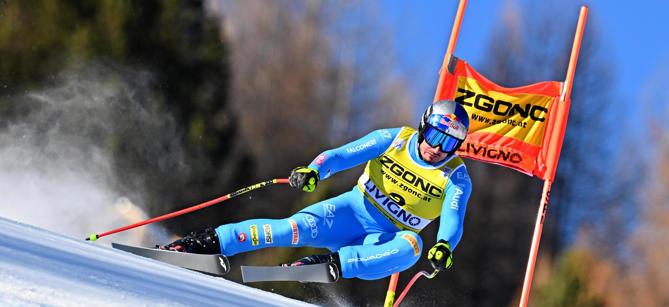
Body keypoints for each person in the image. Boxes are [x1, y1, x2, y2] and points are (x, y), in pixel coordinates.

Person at [162, 100, 473, 282]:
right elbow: (342, 155)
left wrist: (444, 245)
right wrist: (314, 170)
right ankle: (202, 245)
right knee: (290, 230)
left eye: (448, 143)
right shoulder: (395, 140)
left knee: (413, 245)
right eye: (434, 135)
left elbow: (453, 218)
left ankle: (330, 265)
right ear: (422, 127)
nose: (437, 148)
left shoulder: (456, 177)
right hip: (350, 212)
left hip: (385, 239)